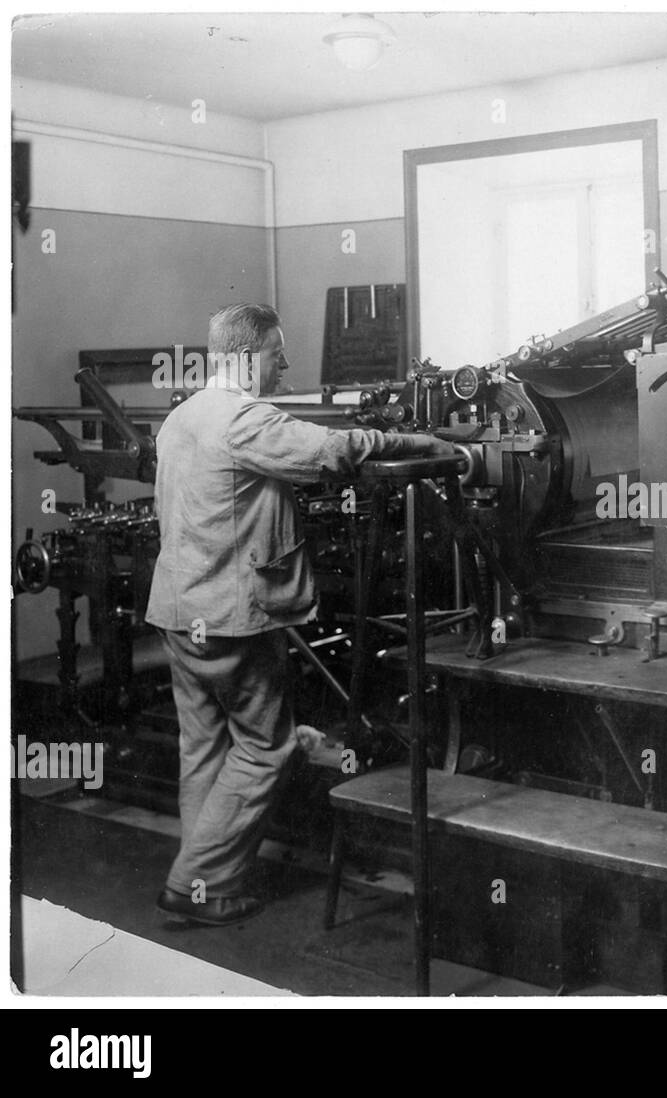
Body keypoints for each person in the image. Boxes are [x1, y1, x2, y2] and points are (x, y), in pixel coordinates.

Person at [148, 303, 454, 926]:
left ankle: (207, 885)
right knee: (267, 749)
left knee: (204, 748)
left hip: (178, 612)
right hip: (231, 617)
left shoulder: (179, 418)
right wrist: (436, 446)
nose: (285, 362)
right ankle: (193, 882)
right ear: (244, 357)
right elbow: (338, 451)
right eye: (276, 353)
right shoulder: (243, 419)